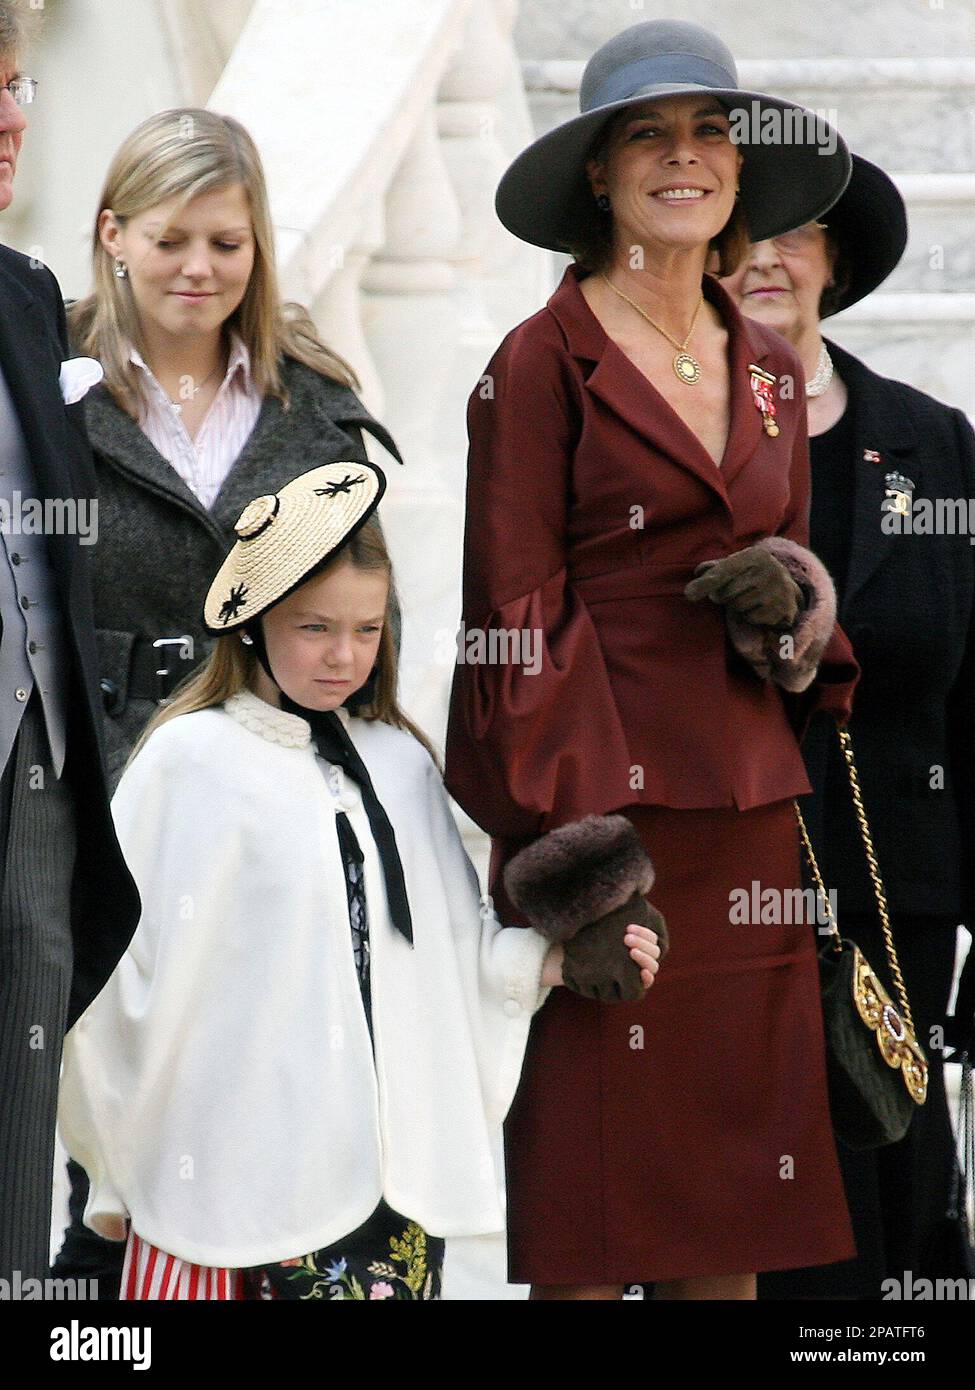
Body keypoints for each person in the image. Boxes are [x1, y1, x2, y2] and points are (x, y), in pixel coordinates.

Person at [445, 19, 860, 1300]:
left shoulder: (778, 371)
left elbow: (792, 571)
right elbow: (511, 613)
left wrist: (787, 609)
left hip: (747, 819)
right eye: (648, 135)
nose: (684, 158)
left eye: (709, 134)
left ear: (739, 170)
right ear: (599, 176)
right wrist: (581, 868)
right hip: (604, 822)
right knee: (591, 1222)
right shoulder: (538, 361)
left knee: (725, 1225)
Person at [56, 461, 662, 1300]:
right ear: (254, 619)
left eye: (367, 630)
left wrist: (550, 964)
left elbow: (448, 955)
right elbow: (112, 982)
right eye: (313, 627)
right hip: (232, 1177)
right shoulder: (187, 763)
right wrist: (114, 1168)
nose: (344, 656)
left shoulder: (400, 761)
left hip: (389, 1185)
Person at [52, 106, 403, 1293]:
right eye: (170, 240)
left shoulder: (313, 402)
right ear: (114, 234)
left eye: (227, 242)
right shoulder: (46, 382)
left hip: (274, 810)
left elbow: (361, 601)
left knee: (257, 1081)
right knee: (98, 1076)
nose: (199, 268)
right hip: (84, 786)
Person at [720, 154, 975, 1297]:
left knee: (895, 1202)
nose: (766, 255)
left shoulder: (933, 441)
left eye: (797, 231)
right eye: (739, 228)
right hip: (717, 886)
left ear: (837, 261)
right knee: (747, 1216)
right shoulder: (659, 441)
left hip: (894, 892)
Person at [0, 1, 140, 1282]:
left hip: (38, 776)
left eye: (19, 88)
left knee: (19, 1132)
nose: (8, 118)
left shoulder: (30, 296)